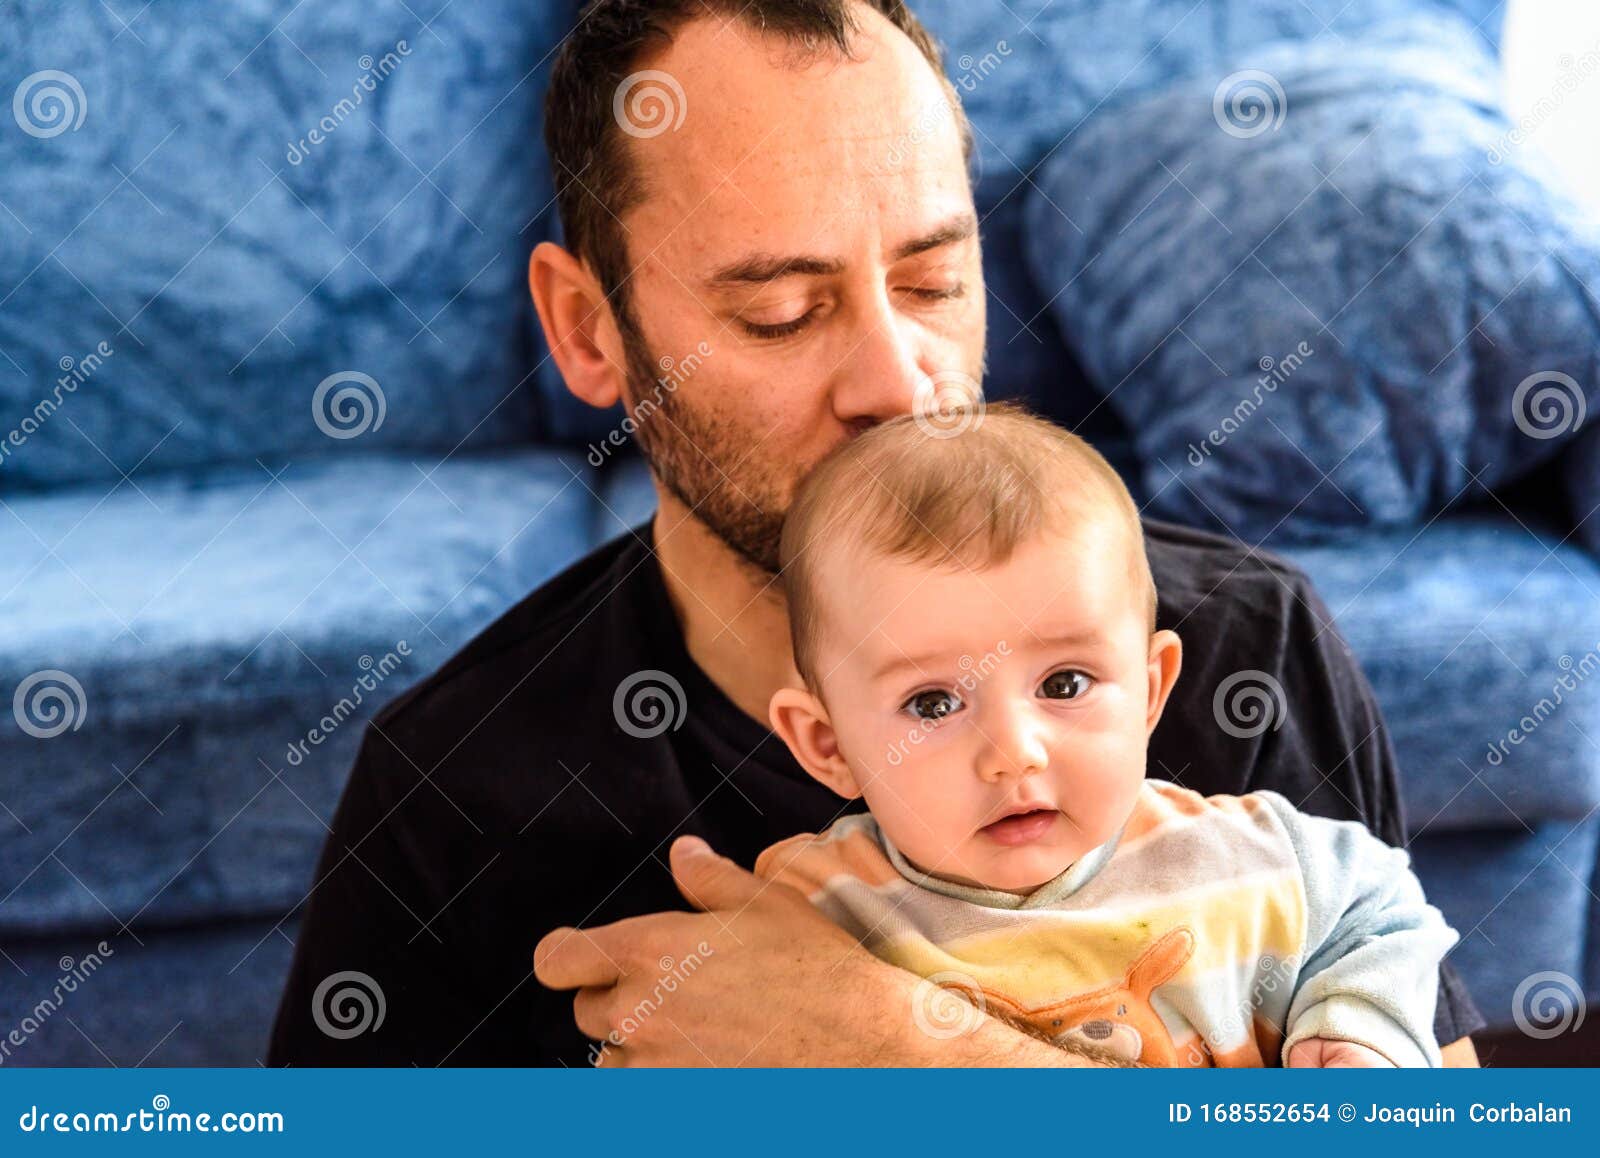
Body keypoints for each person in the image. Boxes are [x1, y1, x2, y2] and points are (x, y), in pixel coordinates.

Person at [268, 0, 1482, 1066]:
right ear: (589, 331)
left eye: (930, 284)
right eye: (782, 314)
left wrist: (897, 1048)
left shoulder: (1236, 648)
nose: (897, 385)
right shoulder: (458, 791)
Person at [736, 404, 1457, 1069]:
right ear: (828, 744)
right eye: (932, 703)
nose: (1015, 753)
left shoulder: (1249, 857)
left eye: (1064, 685)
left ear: (1149, 689)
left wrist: (1356, 1031)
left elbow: (1380, 918)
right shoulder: (815, 915)